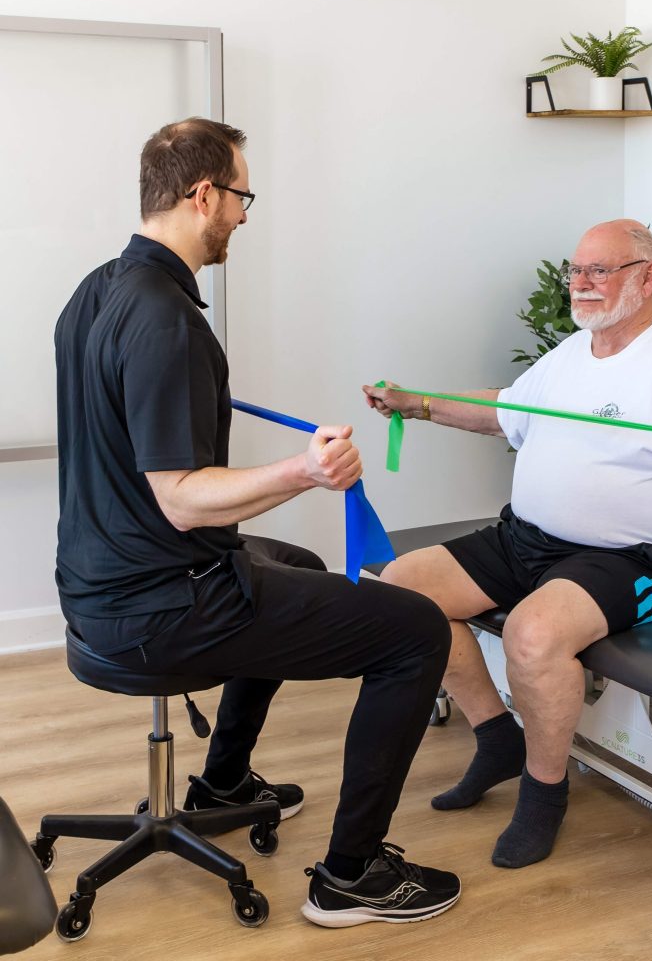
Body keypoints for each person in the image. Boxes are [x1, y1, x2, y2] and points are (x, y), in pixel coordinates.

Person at [54, 117, 460, 927]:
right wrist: (307, 471)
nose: (244, 214)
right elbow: (180, 496)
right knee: (416, 632)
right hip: (162, 607)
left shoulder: (97, 290)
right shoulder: (166, 320)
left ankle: (225, 781)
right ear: (203, 195)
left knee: (298, 563)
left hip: (97, 583)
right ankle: (352, 877)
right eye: (242, 196)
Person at [362, 219, 652, 870]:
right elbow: (507, 408)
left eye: (602, 270)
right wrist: (419, 404)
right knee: (403, 588)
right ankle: (495, 736)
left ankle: (543, 796)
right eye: (578, 270)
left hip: (642, 561)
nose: (583, 283)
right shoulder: (572, 352)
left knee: (533, 636)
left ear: (648, 279)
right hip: (530, 540)